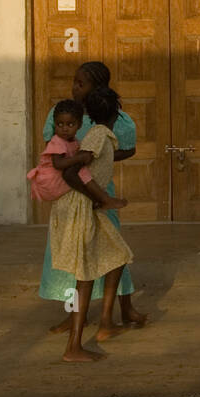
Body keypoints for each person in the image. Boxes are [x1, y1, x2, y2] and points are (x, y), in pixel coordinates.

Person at [38, 61, 146, 332]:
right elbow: (54, 148)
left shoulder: (114, 119)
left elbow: (127, 149)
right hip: (71, 194)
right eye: (74, 82)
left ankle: (124, 307)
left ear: (98, 89)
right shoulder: (62, 111)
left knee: (112, 251)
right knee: (72, 259)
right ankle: (76, 314)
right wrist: (80, 159)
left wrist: (100, 157)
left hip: (98, 191)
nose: (74, 87)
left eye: (81, 83)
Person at [49, 86, 135, 362]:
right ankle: (73, 347)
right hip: (80, 208)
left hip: (89, 207)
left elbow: (97, 159)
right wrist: (98, 197)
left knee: (118, 256)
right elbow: (74, 173)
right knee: (84, 277)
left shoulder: (102, 136)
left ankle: (106, 323)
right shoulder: (98, 135)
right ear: (116, 113)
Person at [27, 99, 105, 205]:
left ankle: (97, 198)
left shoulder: (75, 141)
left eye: (70, 125)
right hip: (49, 182)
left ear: (80, 125)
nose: (65, 129)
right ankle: (99, 198)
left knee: (81, 169)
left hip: (56, 179)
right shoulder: (57, 141)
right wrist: (79, 158)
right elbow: (58, 164)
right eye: (60, 124)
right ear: (54, 124)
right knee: (82, 172)